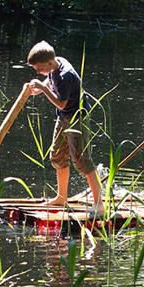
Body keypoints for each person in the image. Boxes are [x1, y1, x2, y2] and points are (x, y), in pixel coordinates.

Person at [26, 41, 104, 215]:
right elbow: (50, 78)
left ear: (49, 62)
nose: (38, 72)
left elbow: (61, 103)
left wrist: (42, 89)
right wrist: (41, 87)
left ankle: (99, 204)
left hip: (77, 118)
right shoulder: (56, 62)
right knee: (57, 155)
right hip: (64, 117)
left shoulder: (65, 75)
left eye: (39, 68)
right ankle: (62, 198)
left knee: (82, 160)